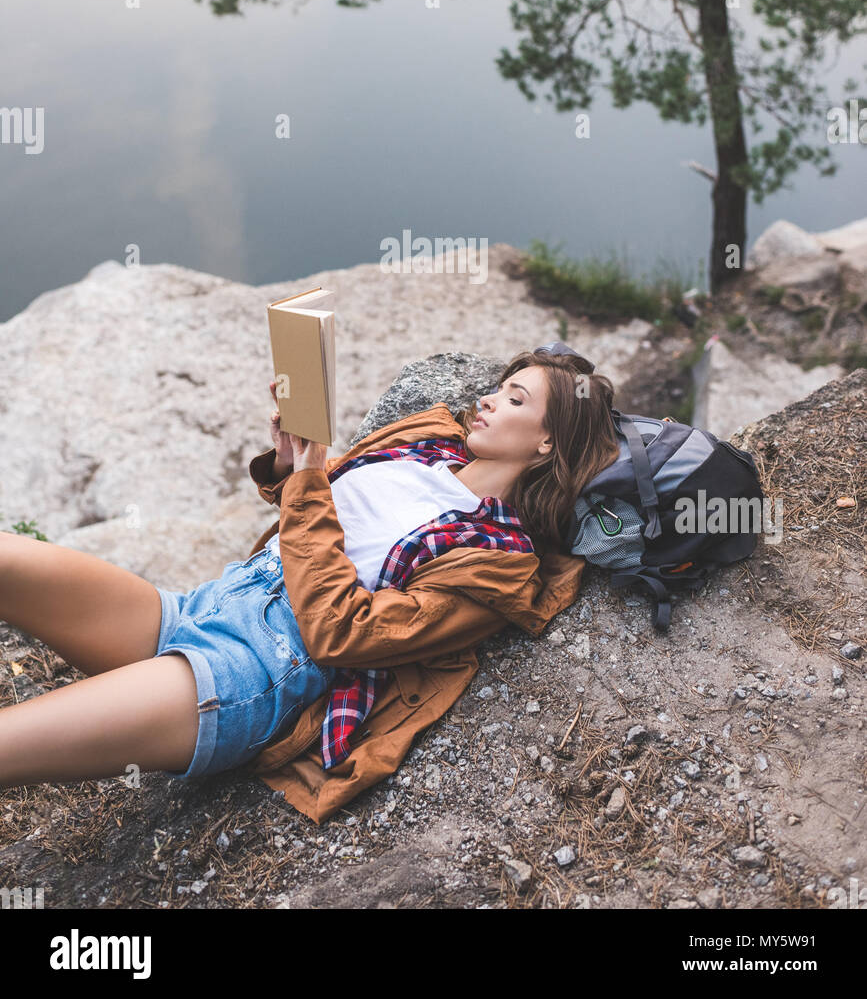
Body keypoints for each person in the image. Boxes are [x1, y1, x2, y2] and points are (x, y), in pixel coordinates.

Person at [0, 347, 619, 810]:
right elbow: (311, 505)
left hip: (255, 668)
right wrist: (292, 464)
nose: (486, 400)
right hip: (214, 601)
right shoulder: (429, 444)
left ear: (546, 444)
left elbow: (340, 635)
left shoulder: (497, 562)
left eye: (516, 400)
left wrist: (307, 482)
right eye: (499, 387)